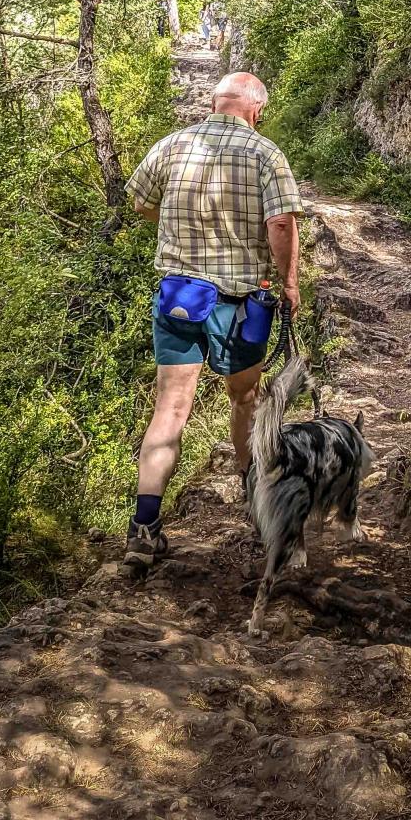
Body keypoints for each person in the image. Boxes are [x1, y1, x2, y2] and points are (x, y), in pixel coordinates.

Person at [122, 72, 303, 568]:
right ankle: (258, 511)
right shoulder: (266, 154)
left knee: (171, 409)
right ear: (256, 109)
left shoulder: (172, 145)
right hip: (240, 303)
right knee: (245, 397)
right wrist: (289, 283)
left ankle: (144, 528)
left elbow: (141, 202)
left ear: (216, 103)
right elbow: (281, 223)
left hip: (179, 297)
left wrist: (182, 230)